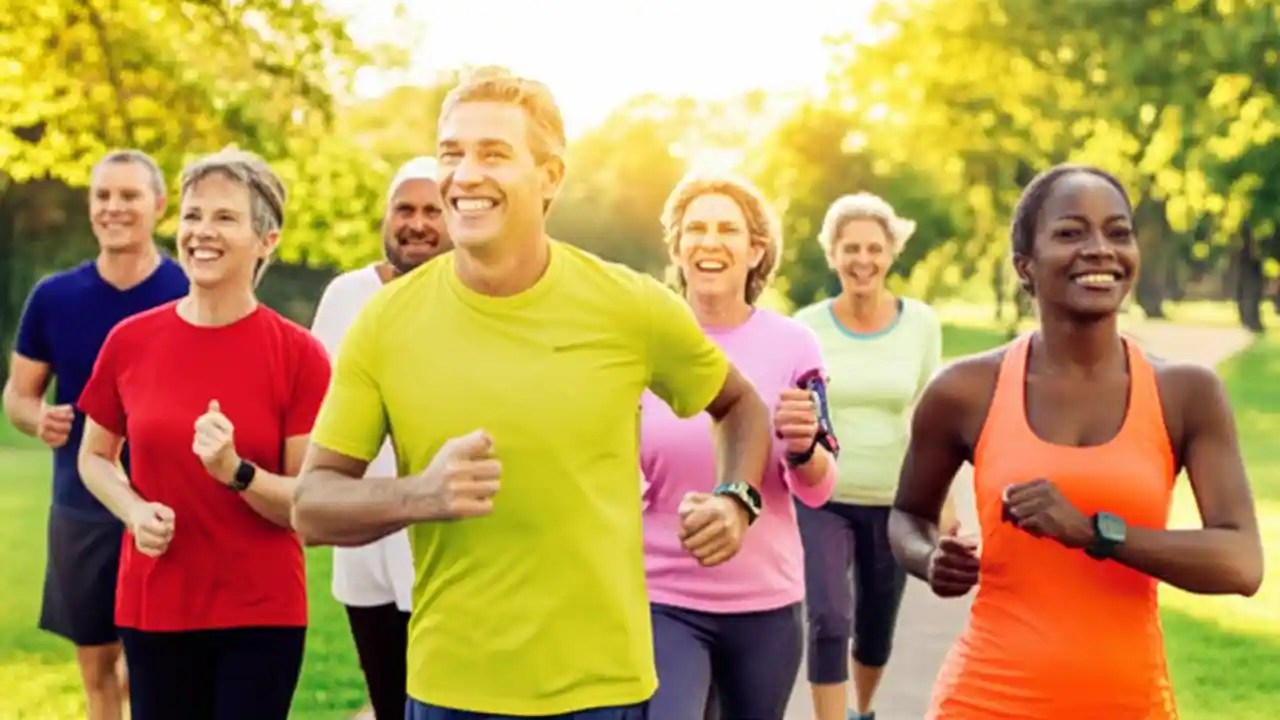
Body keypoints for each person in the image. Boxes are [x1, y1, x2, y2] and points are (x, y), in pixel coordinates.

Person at [291, 66, 773, 720]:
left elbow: (739, 404)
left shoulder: (627, 307)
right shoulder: (385, 321)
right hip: (448, 692)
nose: (465, 174)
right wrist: (418, 494)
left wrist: (737, 499)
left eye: (494, 153)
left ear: (549, 176)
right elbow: (312, 505)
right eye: (451, 154)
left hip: (602, 694)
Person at [889, 163, 1264, 719]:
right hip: (985, 700)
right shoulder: (965, 391)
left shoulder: (1186, 392)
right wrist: (929, 559)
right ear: (1026, 266)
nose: (1100, 249)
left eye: (1118, 232)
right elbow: (906, 516)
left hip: (1128, 703)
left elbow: (1241, 563)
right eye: (1070, 233)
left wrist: (1094, 532)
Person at [75, 148, 332, 720]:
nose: (201, 232)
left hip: (260, 614)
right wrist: (134, 511)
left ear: (266, 241)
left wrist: (236, 472)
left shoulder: (300, 356)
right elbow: (94, 457)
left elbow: (307, 503)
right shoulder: (130, 341)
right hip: (156, 606)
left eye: (224, 218)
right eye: (192, 216)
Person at [639, 172, 838, 720]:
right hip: (663, 599)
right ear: (677, 246)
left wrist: (802, 448)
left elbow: (819, 490)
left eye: (728, 229)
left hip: (765, 607)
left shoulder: (795, 344)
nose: (710, 241)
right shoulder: (643, 344)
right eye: (695, 228)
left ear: (755, 251)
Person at [2, 149, 188, 720]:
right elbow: (17, 394)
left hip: (167, 511)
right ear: (90, 208)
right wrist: (39, 418)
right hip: (81, 508)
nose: (114, 208)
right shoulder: (55, 298)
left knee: (153, 669)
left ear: (157, 206)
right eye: (103, 196)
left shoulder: (188, 289)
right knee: (98, 672)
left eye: (129, 195)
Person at [791, 192, 949, 720]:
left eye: (874, 248)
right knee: (829, 616)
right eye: (850, 248)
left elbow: (931, 419)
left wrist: (942, 499)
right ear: (832, 255)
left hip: (893, 500)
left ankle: (863, 710)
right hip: (823, 497)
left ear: (891, 253)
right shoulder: (805, 326)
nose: (863, 259)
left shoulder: (920, 324)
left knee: (876, 624)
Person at [309, 155, 452, 720]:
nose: (417, 223)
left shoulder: (469, 295)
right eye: (404, 209)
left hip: (439, 535)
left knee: (440, 699)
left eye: (432, 210)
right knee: (388, 696)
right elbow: (319, 404)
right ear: (385, 219)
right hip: (362, 531)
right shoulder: (347, 295)